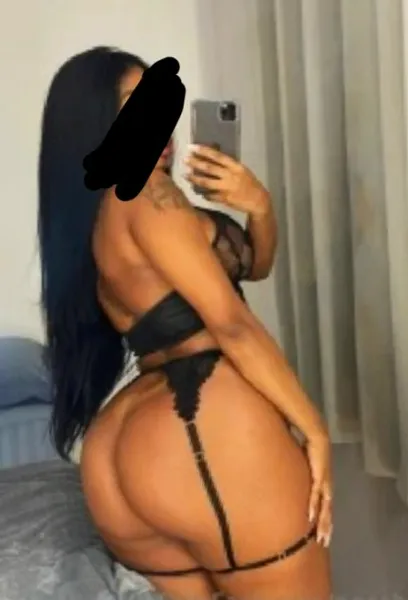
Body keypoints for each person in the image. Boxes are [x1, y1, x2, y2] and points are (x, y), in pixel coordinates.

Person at [38, 46, 333, 600]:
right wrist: (314, 429)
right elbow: (232, 325)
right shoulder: (149, 196)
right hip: (200, 428)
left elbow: (254, 264)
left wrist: (259, 207)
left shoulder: (102, 216)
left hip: (121, 450)